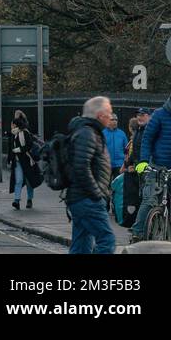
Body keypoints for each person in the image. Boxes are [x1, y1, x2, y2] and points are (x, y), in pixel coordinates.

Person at [131, 84, 171, 245]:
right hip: (157, 166)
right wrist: (143, 162)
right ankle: (137, 233)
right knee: (149, 199)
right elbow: (147, 139)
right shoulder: (159, 115)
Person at [67, 96, 115, 254]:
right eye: (109, 112)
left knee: (81, 246)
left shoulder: (89, 131)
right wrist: (97, 194)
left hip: (81, 198)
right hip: (87, 198)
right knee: (107, 241)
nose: (111, 116)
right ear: (100, 115)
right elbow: (81, 166)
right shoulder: (87, 133)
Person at [121, 108, 153, 228]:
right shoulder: (139, 131)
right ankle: (140, 226)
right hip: (138, 170)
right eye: (138, 115)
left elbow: (151, 152)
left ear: (150, 116)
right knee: (140, 198)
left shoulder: (151, 131)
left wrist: (136, 166)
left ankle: (141, 227)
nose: (139, 117)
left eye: (143, 114)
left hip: (149, 170)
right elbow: (135, 152)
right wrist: (127, 165)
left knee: (147, 199)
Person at [8, 110, 37, 210]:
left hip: (26, 160)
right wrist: (9, 159)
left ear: (16, 125)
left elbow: (29, 145)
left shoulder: (24, 133)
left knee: (29, 180)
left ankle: (29, 199)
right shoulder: (12, 134)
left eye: (12, 124)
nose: (11, 126)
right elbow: (10, 148)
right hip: (17, 161)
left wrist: (19, 149)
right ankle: (16, 201)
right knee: (19, 180)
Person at [102, 112, 128, 182]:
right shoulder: (102, 134)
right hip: (106, 164)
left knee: (118, 186)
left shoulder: (122, 134)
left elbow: (127, 149)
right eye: (112, 119)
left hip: (119, 165)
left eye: (116, 120)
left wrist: (125, 163)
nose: (115, 121)